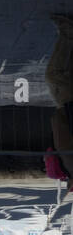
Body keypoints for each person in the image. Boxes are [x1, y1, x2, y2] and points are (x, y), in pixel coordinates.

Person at [47, 14, 73, 186]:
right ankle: (68, 32)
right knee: (55, 75)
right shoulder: (71, 166)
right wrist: (58, 115)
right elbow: (62, 139)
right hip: (68, 107)